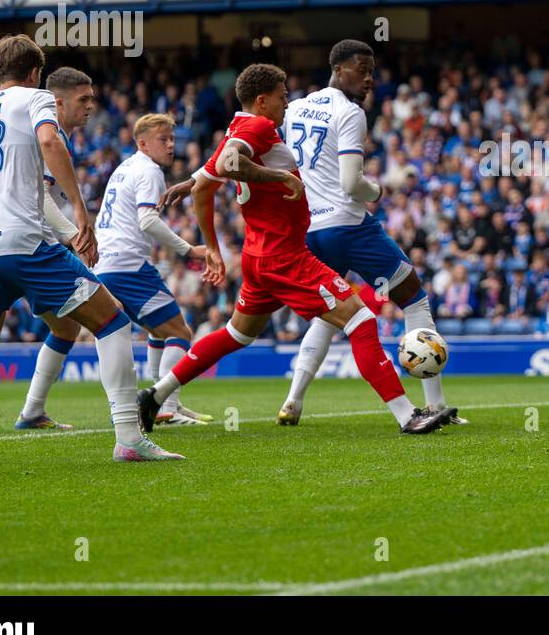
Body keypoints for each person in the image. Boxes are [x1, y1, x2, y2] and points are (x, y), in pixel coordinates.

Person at [0, 35, 180, 462]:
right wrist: (82, 213)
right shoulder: (37, 98)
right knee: (114, 322)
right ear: (34, 74)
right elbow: (50, 142)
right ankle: (128, 437)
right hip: (26, 241)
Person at [135, 63, 454, 435]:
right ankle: (407, 415)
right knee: (362, 320)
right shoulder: (258, 126)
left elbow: (204, 186)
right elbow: (228, 163)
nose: (288, 102)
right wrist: (279, 176)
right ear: (262, 100)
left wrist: (213, 247)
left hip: (259, 257)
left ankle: (155, 395)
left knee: (236, 335)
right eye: (283, 95)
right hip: (284, 257)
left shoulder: (236, 128)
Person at [277, 40, 464, 426]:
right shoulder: (350, 112)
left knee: (330, 312)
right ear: (338, 68)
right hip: (348, 225)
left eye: (372, 71)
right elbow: (351, 182)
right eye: (361, 69)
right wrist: (377, 191)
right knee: (414, 298)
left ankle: (293, 399)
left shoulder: (293, 107)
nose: (369, 78)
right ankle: (434, 404)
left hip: (309, 229)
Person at [91, 113, 210, 426]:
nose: (171, 145)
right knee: (180, 333)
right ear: (142, 142)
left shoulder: (124, 168)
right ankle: (166, 406)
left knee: (159, 332)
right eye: (163, 139)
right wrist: (188, 249)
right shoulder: (149, 169)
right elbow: (147, 220)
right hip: (128, 264)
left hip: (109, 263)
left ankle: (164, 402)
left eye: (172, 139)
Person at [13, 66, 96, 431]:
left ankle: (32, 412)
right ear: (58, 103)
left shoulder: (56, 134)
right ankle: (132, 420)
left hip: (9, 243)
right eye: (84, 99)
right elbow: (43, 199)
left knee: (64, 330)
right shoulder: (51, 135)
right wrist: (73, 236)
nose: (91, 105)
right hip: (36, 246)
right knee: (112, 319)